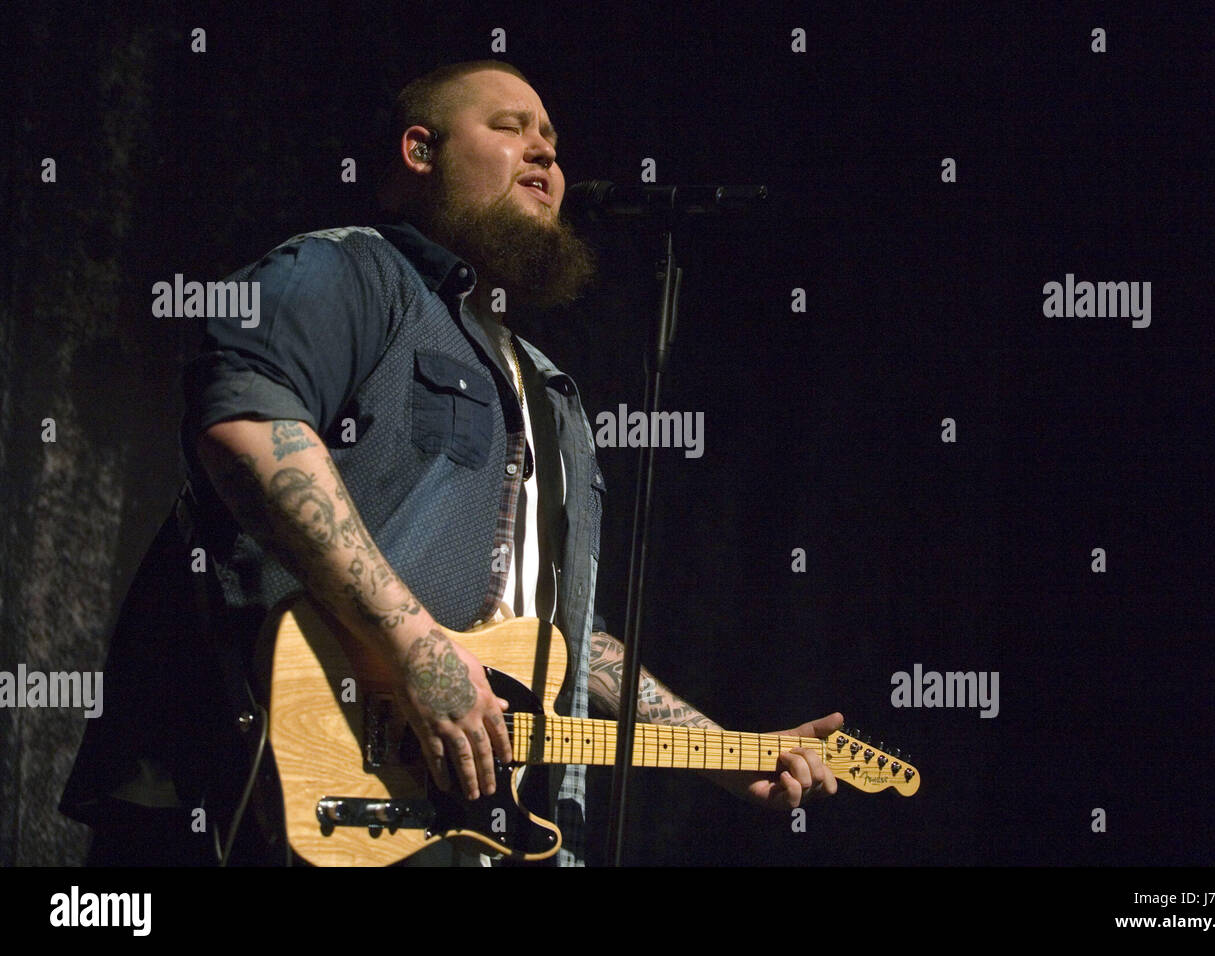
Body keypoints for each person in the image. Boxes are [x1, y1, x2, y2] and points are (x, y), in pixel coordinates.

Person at [61, 59, 842, 866]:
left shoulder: (554, 395)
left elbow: (575, 643)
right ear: (418, 151)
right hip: (263, 775)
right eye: (509, 129)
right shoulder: (350, 270)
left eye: (552, 142)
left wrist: (727, 750)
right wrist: (417, 652)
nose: (544, 154)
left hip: (451, 819)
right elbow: (249, 428)